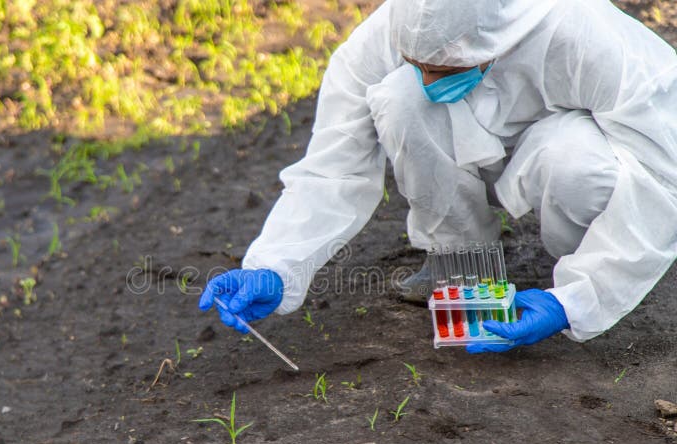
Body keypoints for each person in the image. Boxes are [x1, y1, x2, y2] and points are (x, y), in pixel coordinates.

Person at [199, 0, 677, 353]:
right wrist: (275, 265)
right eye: (418, 65)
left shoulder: (587, 37)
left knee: (575, 163)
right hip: (474, 148)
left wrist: (578, 299)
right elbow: (333, 164)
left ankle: (574, 267)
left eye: (444, 69)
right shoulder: (389, 34)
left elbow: (663, 174)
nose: (430, 80)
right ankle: (461, 262)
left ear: (496, 45)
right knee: (402, 99)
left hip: (562, 150)